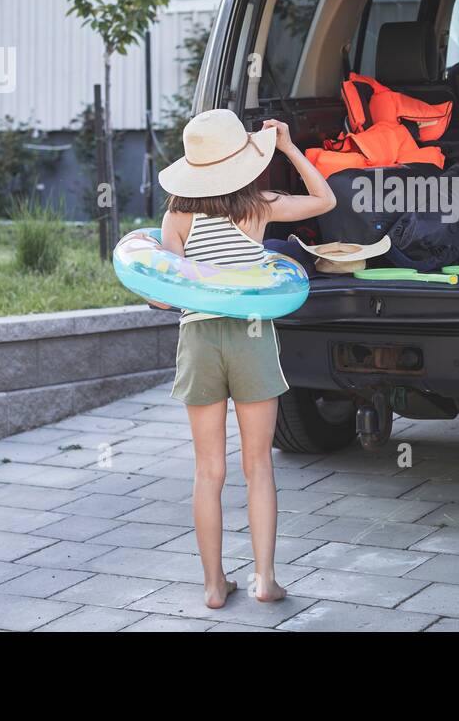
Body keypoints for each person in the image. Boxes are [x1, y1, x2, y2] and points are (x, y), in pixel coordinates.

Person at [149, 109, 335, 609]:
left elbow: (168, 293)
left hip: (199, 338)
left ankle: (213, 586)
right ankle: (264, 580)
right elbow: (325, 199)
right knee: (259, 467)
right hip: (251, 334)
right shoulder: (258, 206)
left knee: (208, 470)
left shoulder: (176, 216)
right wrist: (291, 148)